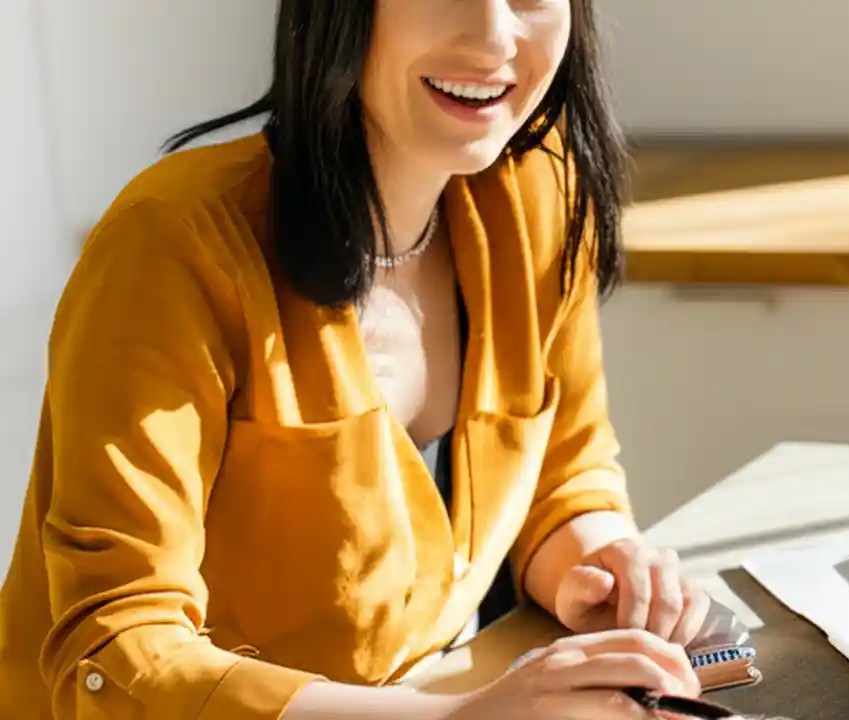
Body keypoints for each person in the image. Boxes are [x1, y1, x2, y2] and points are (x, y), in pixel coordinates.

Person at [0, 1, 712, 717]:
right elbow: (116, 654)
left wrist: (598, 561)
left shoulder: (536, 194)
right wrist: (460, 718)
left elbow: (566, 470)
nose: (494, 35)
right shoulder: (170, 248)